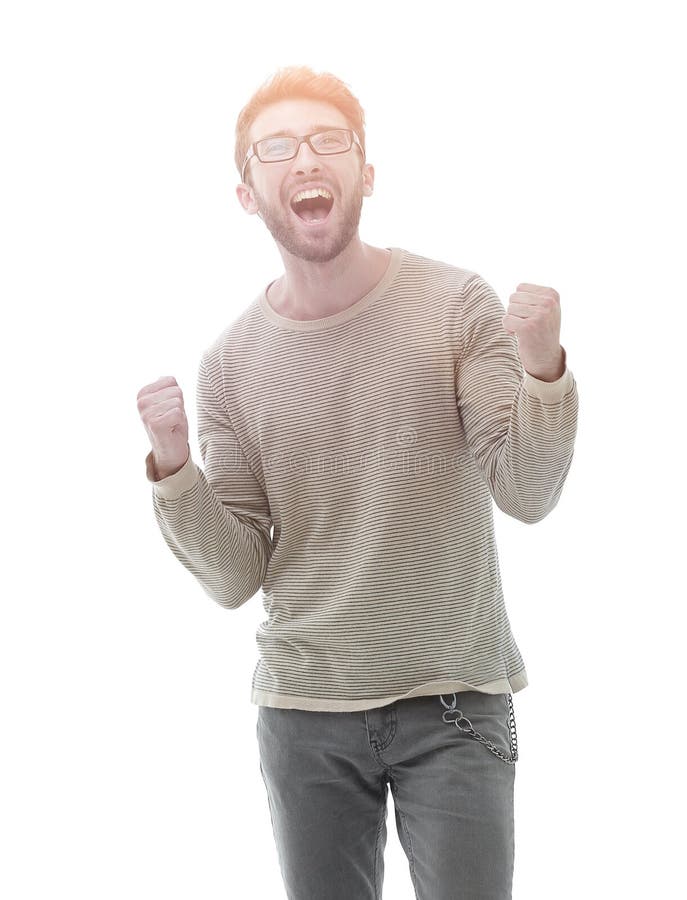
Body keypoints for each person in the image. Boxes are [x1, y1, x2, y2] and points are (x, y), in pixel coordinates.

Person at [136, 65, 578, 900]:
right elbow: (234, 576)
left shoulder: (455, 304)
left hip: (454, 703)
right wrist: (173, 469)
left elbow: (527, 492)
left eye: (327, 141)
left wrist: (542, 370)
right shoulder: (229, 363)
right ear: (247, 194)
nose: (305, 159)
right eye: (277, 147)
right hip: (304, 714)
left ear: (365, 173)